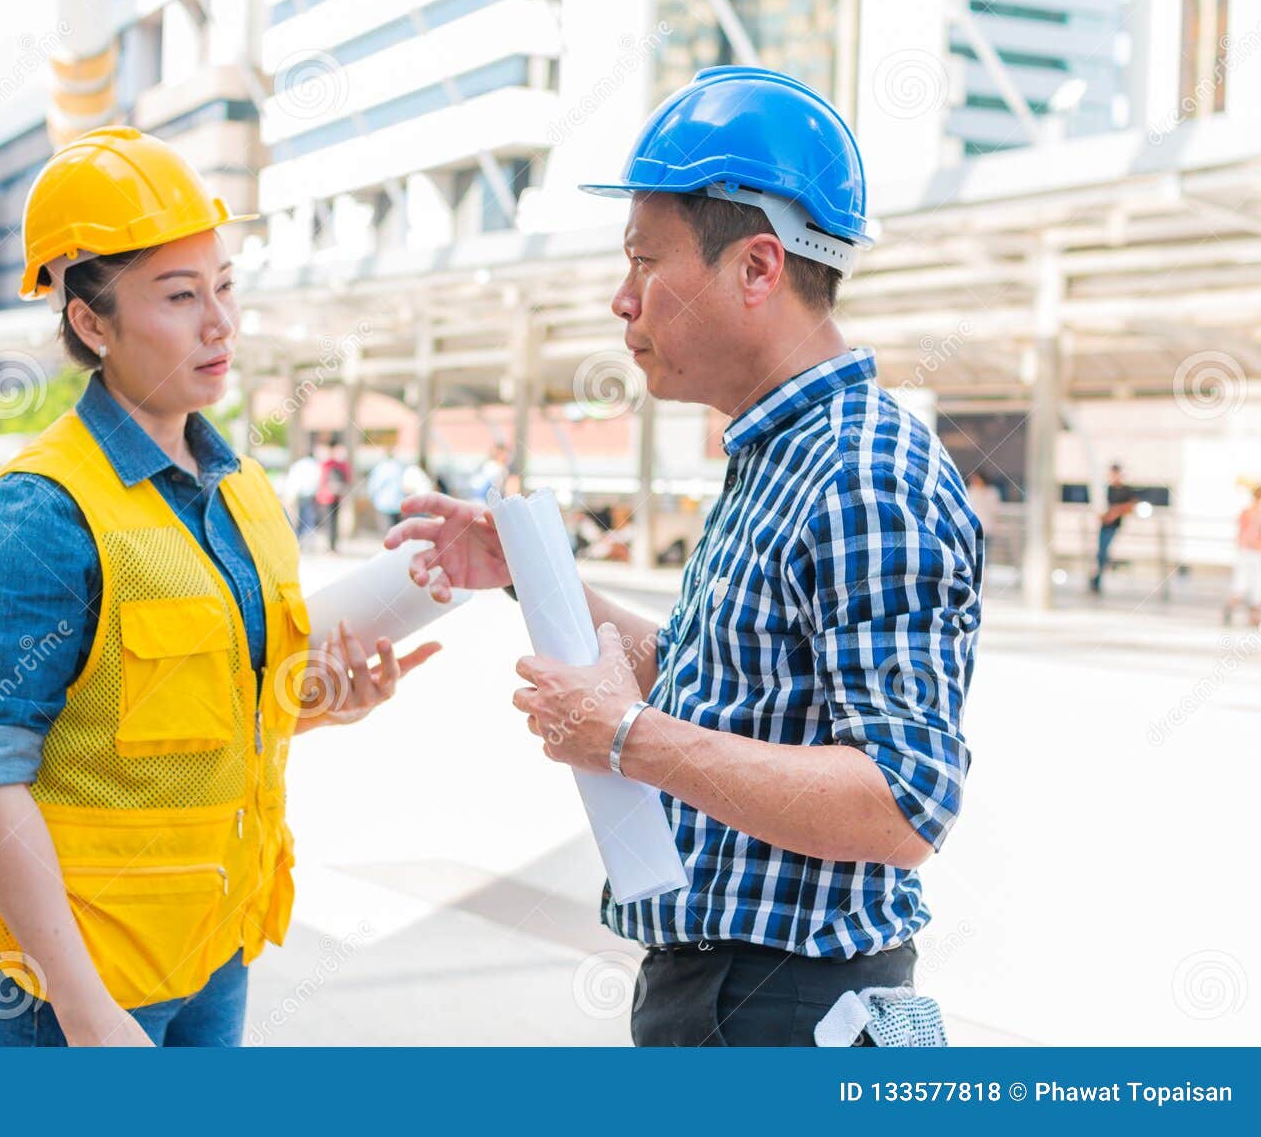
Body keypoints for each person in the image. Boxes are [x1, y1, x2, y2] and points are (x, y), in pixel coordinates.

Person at [387, 67, 982, 1047]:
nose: (621, 301)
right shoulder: (778, 460)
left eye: (643, 261)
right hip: (732, 1000)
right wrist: (529, 573)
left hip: (791, 1015)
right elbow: (724, 681)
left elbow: (900, 799)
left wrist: (623, 736)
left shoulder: (864, 473)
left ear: (756, 267)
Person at [0, 127, 439, 1048]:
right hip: (82, 982)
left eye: (224, 287)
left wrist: (325, 698)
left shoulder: (243, 493)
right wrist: (86, 1011)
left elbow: (215, 708)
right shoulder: (39, 515)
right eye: (179, 296)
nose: (220, 323)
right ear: (92, 322)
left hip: (217, 950)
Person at [1090, 463, 1137, 595]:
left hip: (1114, 526)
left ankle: (1098, 578)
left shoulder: (1126, 490)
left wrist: (1116, 512)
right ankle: (1096, 579)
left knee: (1104, 552)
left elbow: (1131, 506)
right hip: (1104, 525)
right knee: (1101, 552)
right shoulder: (1107, 489)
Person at [1223, 485, 1261, 628]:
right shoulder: (1255, 513)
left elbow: (1240, 532)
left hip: (1244, 551)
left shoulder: (1246, 512)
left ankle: (1231, 607)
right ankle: (1254, 616)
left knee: (1241, 582)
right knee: (1257, 584)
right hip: (1257, 552)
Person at [315, 437, 350, 552]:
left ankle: (331, 547)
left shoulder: (326, 464)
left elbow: (321, 480)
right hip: (334, 496)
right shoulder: (340, 464)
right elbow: (347, 479)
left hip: (327, 497)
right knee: (333, 522)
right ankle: (332, 547)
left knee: (330, 522)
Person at [284, 446, 321, 538]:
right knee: (308, 513)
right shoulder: (315, 465)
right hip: (310, 493)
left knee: (302, 514)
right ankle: (306, 533)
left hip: (300, 493)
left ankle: (301, 534)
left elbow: (294, 479)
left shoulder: (299, 464)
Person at [367, 449, 406, 534]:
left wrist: (371, 497)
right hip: (397, 503)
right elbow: (404, 485)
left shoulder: (380, 467)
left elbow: (374, 485)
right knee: (396, 528)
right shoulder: (399, 467)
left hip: (383, 503)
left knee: (386, 529)